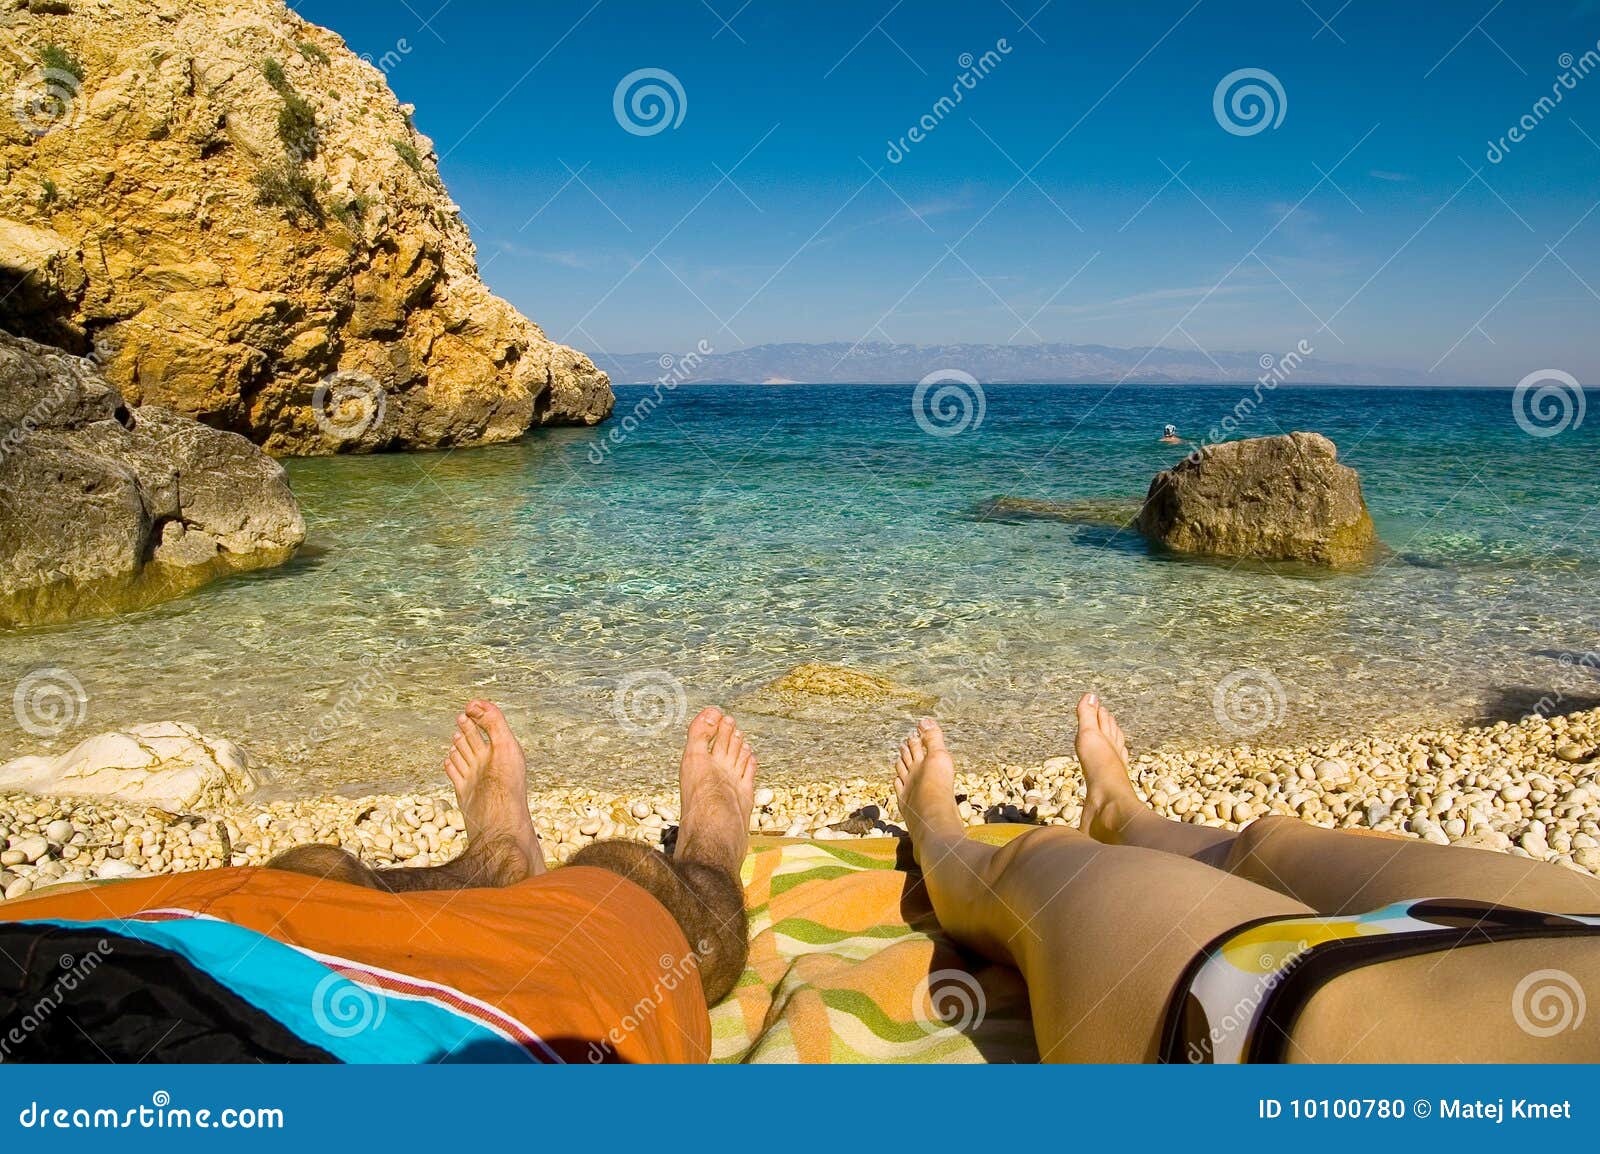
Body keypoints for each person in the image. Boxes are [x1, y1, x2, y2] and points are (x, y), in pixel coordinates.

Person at [0, 702, 757, 1063]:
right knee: (625, 877)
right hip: (468, 1044)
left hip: (73, 956)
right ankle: (711, 848)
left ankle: (499, 858)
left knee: (318, 872)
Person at [893, 694, 1600, 1063]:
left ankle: (933, 828)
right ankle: (1119, 812)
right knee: (1266, 842)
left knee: (1036, 863)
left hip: (1280, 1023)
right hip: (1572, 930)